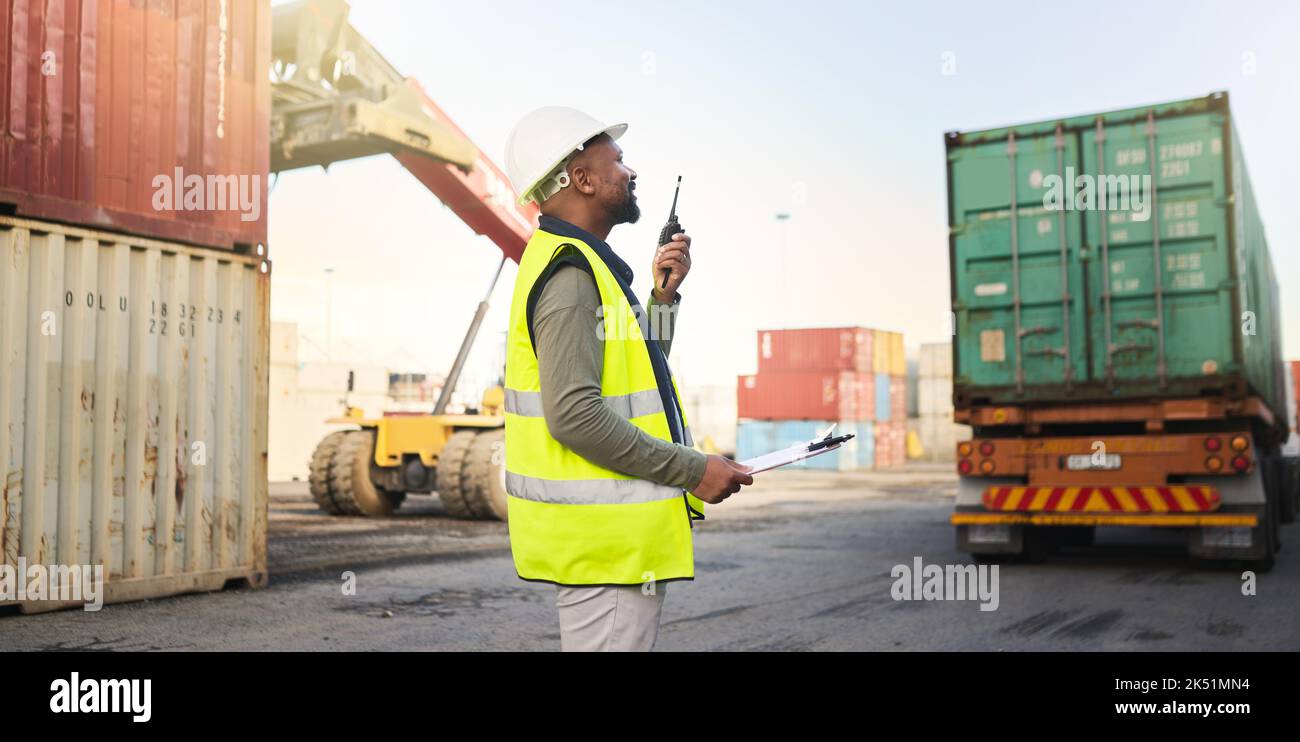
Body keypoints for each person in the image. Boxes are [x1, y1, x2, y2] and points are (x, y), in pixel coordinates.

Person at [502, 107, 754, 651]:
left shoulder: (585, 264)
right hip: (606, 550)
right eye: (616, 161)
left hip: (608, 547)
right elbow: (574, 416)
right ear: (582, 179)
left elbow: (644, 357)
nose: (631, 171)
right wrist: (693, 470)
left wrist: (663, 295)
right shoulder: (571, 275)